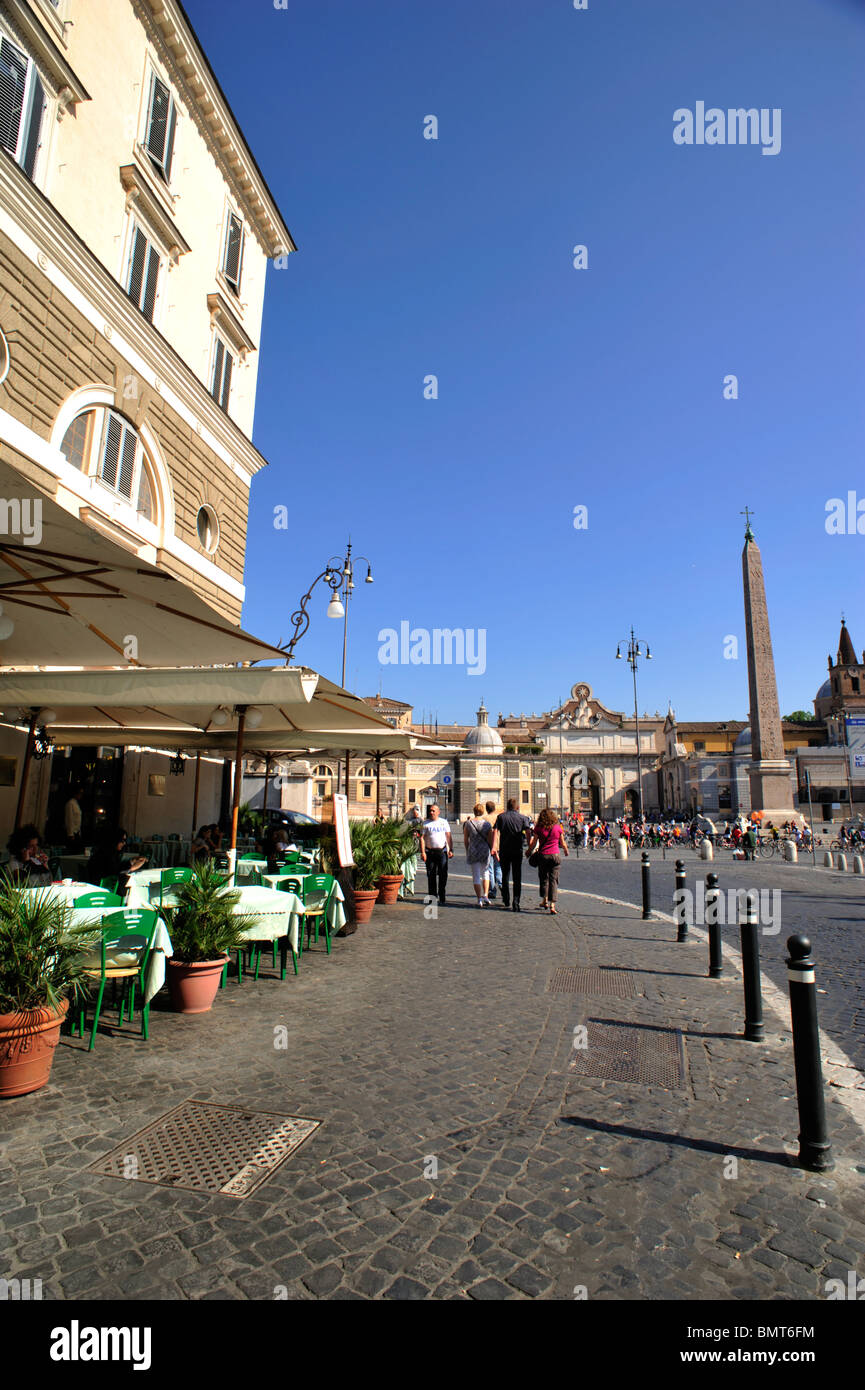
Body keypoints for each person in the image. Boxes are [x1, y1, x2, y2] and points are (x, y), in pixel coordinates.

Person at [493, 797, 533, 911]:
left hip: (504, 850)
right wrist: (529, 847)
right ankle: (516, 902)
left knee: (505, 875)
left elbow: (495, 831)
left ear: (507, 806)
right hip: (517, 850)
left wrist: (494, 846)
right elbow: (529, 832)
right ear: (518, 807)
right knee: (517, 877)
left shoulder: (501, 817)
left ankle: (506, 898)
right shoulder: (523, 818)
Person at [527, 808, 569, 913]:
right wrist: (566, 850)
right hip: (555, 856)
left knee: (543, 878)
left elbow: (534, 843)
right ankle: (552, 905)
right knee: (554, 880)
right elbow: (562, 843)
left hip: (543, 856)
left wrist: (528, 851)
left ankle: (544, 900)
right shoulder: (557, 828)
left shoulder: (539, 828)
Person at [85, 826, 146, 893]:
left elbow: (117, 867)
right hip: (103, 888)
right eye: (122, 841)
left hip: (103, 885)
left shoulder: (107, 852)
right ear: (114, 840)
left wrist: (132, 861)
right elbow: (113, 873)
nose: (124, 843)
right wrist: (132, 868)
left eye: (125, 841)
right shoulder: (104, 855)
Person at [420, 804, 453, 906]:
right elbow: (422, 838)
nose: (431, 812)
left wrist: (451, 849)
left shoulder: (444, 822)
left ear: (438, 812)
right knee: (431, 875)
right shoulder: (425, 823)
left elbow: (448, 836)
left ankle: (442, 894)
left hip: (442, 852)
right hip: (430, 852)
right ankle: (432, 896)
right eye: (430, 810)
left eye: (434, 811)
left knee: (443, 874)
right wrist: (422, 852)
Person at [464, 804, 494, 907]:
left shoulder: (468, 823)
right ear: (483, 811)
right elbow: (490, 840)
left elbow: (465, 840)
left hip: (473, 851)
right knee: (486, 873)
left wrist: (468, 850)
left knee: (476, 876)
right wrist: (491, 849)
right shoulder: (487, 824)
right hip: (484, 851)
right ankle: (486, 895)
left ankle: (479, 898)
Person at [484, 800, 503, 900]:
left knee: (490, 869)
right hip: (499, 845)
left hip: (489, 846)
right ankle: (501, 884)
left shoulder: (484, 819)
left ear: (486, 809)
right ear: (494, 808)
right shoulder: (499, 818)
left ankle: (492, 890)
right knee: (499, 867)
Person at [64, 785, 84, 851]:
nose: (81, 795)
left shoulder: (76, 804)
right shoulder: (70, 804)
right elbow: (69, 819)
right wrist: (70, 834)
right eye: (80, 793)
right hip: (73, 833)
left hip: (77, 832)